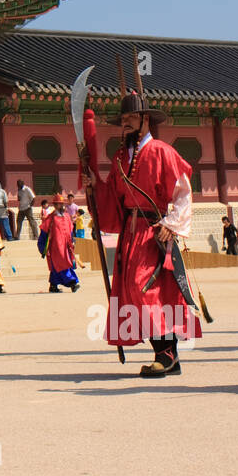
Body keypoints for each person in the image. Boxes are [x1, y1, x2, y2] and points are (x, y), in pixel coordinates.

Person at [84, 88, 197, 377]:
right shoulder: (121, 156)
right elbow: (112, 196)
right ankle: (165, 355)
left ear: (146, 120)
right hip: (130, 234)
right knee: (133, 291)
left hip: (154, 230)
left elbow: (183, 191)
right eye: (124, 118)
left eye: (132, 117)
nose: (126, 122)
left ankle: (167, 353)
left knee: (149, 289)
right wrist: (94, 185)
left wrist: (171, 224)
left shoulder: (162, 151)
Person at [39, 193, 79, 293]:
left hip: (66, 246)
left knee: (56, 267)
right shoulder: (51, 218)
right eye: (58, 204)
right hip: (55, 248)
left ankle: (53, 285)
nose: (60, 206)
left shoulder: (66, 216)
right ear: (54, 205)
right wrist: (43, 247)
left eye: (61, 204)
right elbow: (44, 232)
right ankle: (72, 283)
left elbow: (70, 230)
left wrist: (72, 241)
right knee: (63, 264)